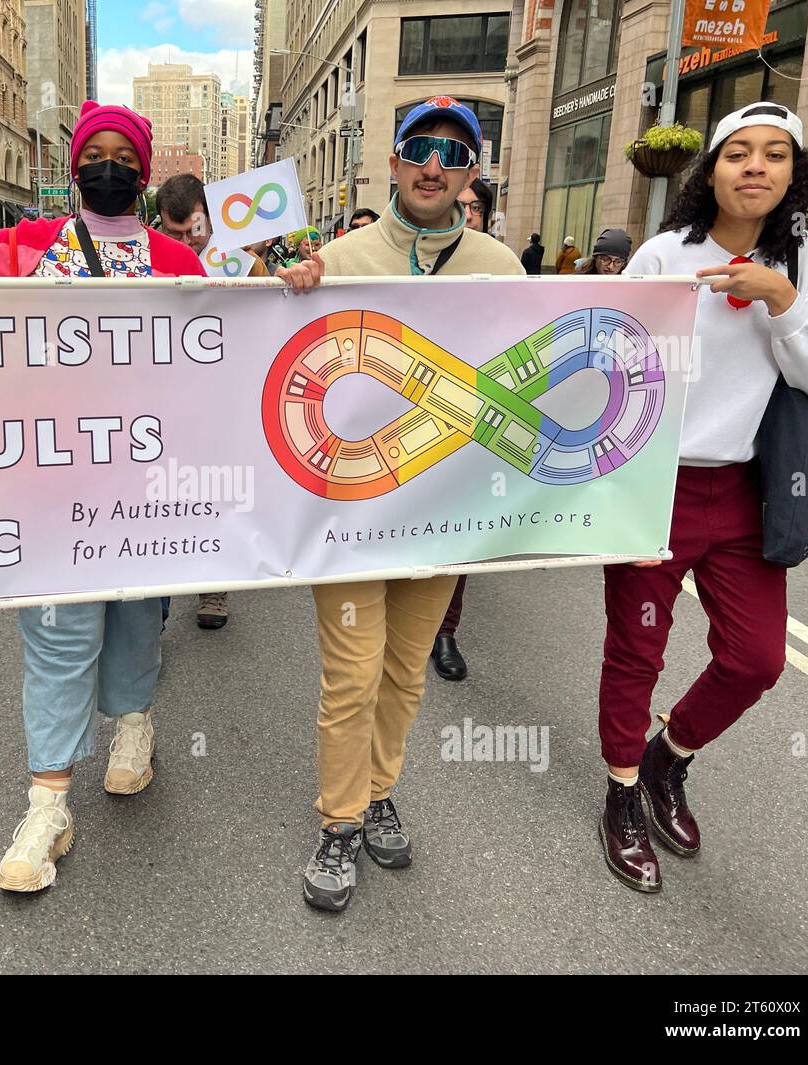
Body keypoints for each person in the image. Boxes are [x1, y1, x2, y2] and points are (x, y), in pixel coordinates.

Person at [0, 99, 205, 893]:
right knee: (56, 634)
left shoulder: (178, 262)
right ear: (75, 166)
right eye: (100, 153)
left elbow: (229, 350)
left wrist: (295, 285)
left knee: (134, 612)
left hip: (147, 485)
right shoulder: (18, 249)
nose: (112, 167)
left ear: (145, 171)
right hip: (48, 487)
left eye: (127, 156)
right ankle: (47, 801)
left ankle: (134, 725)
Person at [277, 94, 526, 911]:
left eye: (453, 155)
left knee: (404, 672)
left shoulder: (501, 267)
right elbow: (268, 351)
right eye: (419, 147)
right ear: (391, 160)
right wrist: (288, 290)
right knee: (351, 676)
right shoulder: (339, 258)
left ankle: (378, 787)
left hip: (442, 519)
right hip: (352, 521)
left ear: (472, 173)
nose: (433, 166)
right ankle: (340, 821)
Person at [598, 102, 808, 893]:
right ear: (710, 169)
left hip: (745, 489)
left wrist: (781, 298)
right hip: (655, 482)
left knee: (756, 658)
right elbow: (607, 366)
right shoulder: (662, 256)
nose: (755, 166)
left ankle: (668, 759)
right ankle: (621, 793)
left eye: (774, 154)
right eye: (738, 152)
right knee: (635, 648)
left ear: (792, 173)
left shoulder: (801, 259)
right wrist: (612, 498)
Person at [156, 172, 259, 630]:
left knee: (214, 494)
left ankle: (214, 585)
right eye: (172, 232)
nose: (186, 242)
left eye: (193, 230)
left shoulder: (243, 264)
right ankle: (153, 598)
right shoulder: (144, 261)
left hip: (222, 400)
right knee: (159, 497)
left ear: (211, 219)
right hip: (161, 400)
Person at [432, 176, 501, 680]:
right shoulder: (408, 260)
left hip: (471, 425)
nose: (465, 214)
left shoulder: (502, 270)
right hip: (412, 418)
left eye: (474, 208)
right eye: (459, 206)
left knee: (457, 534)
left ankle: (445, 631)